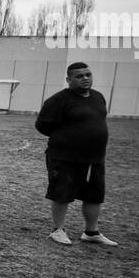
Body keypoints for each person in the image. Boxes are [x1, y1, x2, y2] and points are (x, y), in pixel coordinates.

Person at [35, 61, 118, 246]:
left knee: (94, 195)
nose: (85, 79)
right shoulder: (58, 100)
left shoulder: (98, 97)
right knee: (61, 193)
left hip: (94, 158)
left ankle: (91, 232)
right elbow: (42, 125)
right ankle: (58, 230)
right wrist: (67, 137)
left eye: (88, 75)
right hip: (64, 157)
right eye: (79, 76)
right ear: (69, 79)